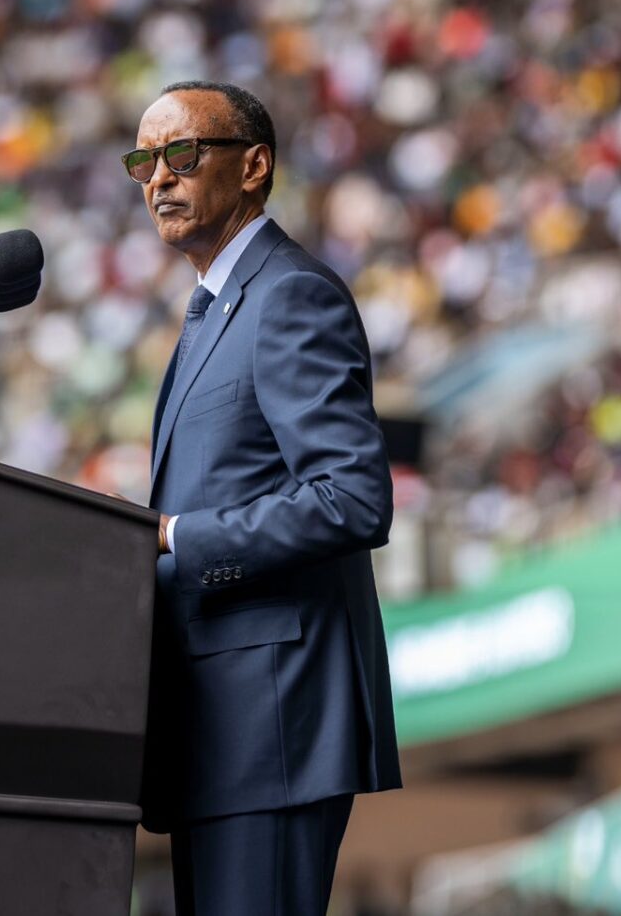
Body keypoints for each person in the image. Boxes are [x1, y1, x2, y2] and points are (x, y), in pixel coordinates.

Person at [129, 80, 402, 915]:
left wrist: (177, 539)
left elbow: (352, 496)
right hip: (215, 725)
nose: (159, 180)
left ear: (253, 165)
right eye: (144, 162)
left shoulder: (291, 295)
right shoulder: (210, 313)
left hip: (272, 720)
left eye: (182, 154)